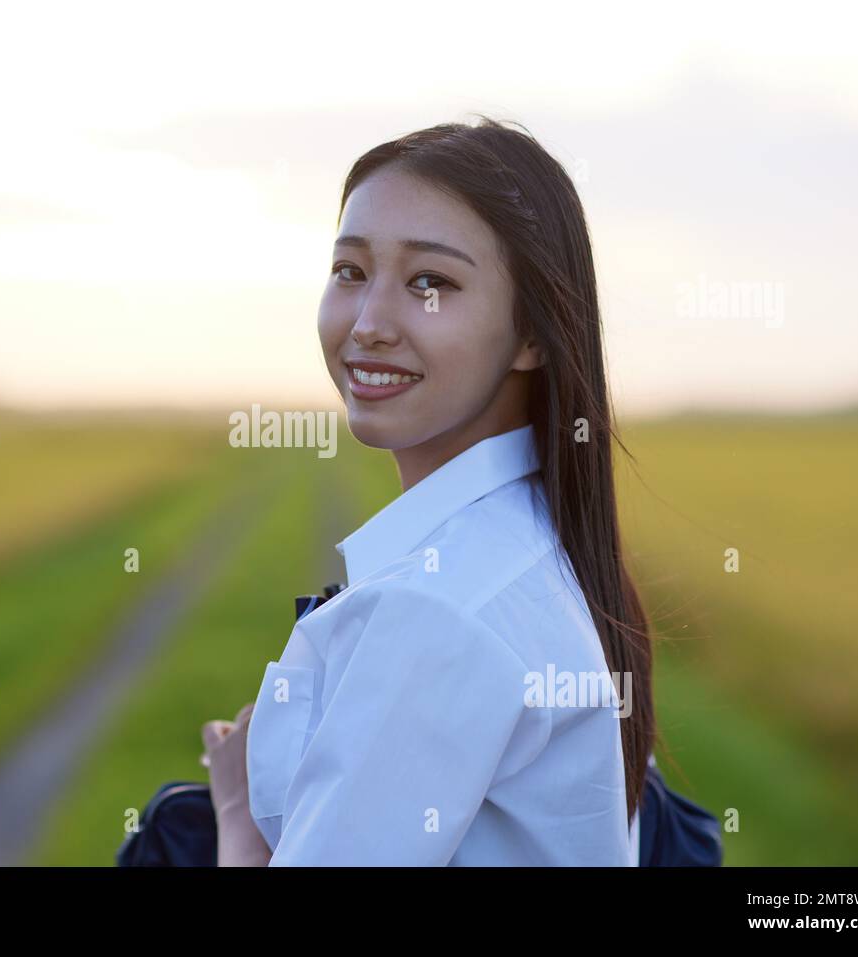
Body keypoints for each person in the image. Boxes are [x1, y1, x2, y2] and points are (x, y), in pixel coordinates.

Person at [202, 115, 654, 866]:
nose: (369, 322)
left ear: (533, 336)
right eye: (350, 270)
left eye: (430, 283)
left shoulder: (436, 613)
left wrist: (239, 822)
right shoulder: (526, 551)